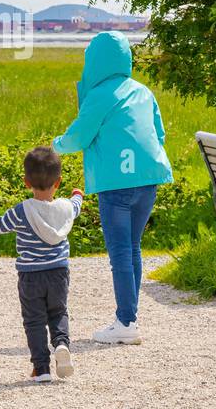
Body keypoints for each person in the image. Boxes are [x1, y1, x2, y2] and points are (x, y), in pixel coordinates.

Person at [52, 31, 172, 345]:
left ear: (94, 61)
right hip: (148, 180)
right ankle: (129, 316)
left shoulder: (100, 94)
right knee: (132, 248)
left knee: (120, 252)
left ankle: (126, 322)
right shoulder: (143, 92)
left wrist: (55, 146)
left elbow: (78, 137)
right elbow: (159, 134)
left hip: (115, 184)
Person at [0, 146, 82, 382]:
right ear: (58, 182)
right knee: (58, 312)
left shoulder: (22, 211)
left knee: (34, 320)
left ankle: (42, 368)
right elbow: (76, 203)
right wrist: (78, 192)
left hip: (31, 276)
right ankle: (61, 344)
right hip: (59, 272)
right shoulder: (65, 208)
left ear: (26, 182)